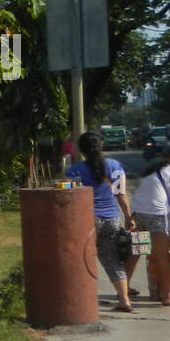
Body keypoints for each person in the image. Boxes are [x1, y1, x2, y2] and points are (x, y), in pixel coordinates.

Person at [67, 132, 135, 312]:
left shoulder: (75, 171)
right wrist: (128, 217)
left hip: (86, 221)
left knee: (81, 259)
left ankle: (80, 301)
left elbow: (66, 195)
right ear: (101, 146)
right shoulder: (115, 166)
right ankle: (124, 300)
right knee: (112, 260)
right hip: (112, 218)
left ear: (81, 150)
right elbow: (121, 195)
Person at [125, 152, 170, 305]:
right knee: (162, 258)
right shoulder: (168, 172)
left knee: (137, 253)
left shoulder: (154, 172)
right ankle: (166, 296)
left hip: (138, 215)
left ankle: (123, 290)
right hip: (155, 216)